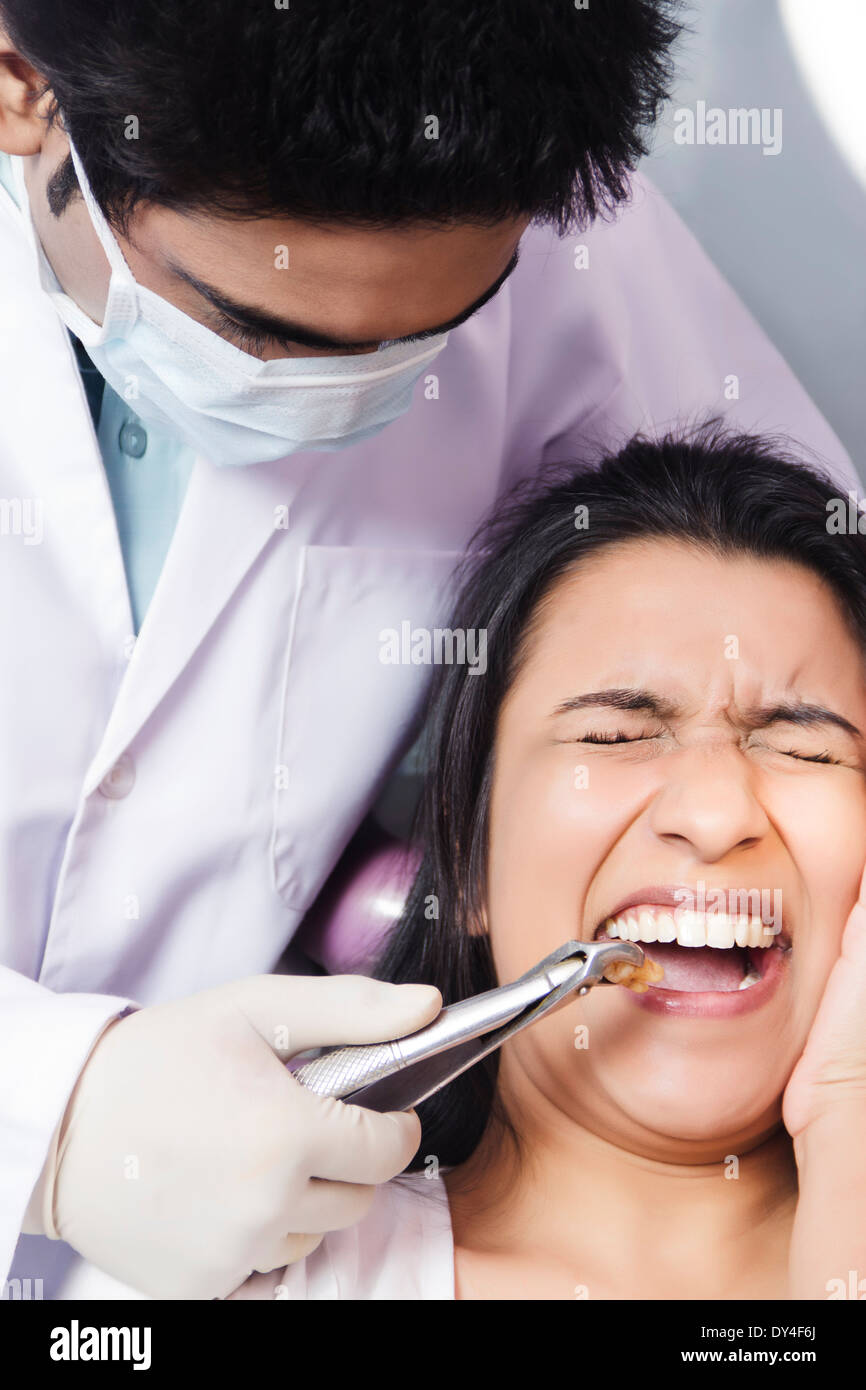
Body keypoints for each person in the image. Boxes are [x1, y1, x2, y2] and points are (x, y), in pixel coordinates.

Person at [0, 2, 855, 1300]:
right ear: (21, 88)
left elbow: (774, 590)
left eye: (420, 344)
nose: (712, 811)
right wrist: (53, 1115)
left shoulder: (541, 181)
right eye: (261, 331)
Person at [232, 424, 866, 1299]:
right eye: (614, 736)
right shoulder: (250, 1280)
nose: (716, 815)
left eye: (805, 750)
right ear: (464, 848)